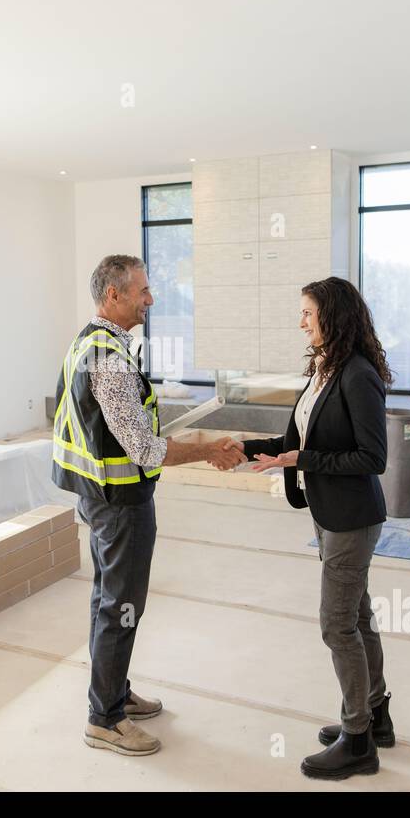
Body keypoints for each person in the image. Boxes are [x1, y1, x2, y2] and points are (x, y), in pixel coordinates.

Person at [52, 254, 243, 757]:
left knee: (108, 601)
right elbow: (143, 447)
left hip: (100, 499)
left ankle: (112, 693)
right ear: (113, 295)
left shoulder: (90, 343)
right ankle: (105, 720)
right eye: (142, 291)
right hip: (119, 504)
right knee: (121, 606)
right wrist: (208, 450)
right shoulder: (108, 358)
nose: (150, 300)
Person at [234, 276, 392, 779]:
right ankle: (376, 717)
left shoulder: (357, 375)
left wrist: (306, 458)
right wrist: (240, 449)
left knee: (336, 625)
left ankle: (358, 740)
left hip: (352, 519)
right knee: (358, 618)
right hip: (328, 515)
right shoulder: (324, 370)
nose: (300, 321)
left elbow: (373, 457)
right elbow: (291, 439)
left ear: (333, 316)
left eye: (307, 312)